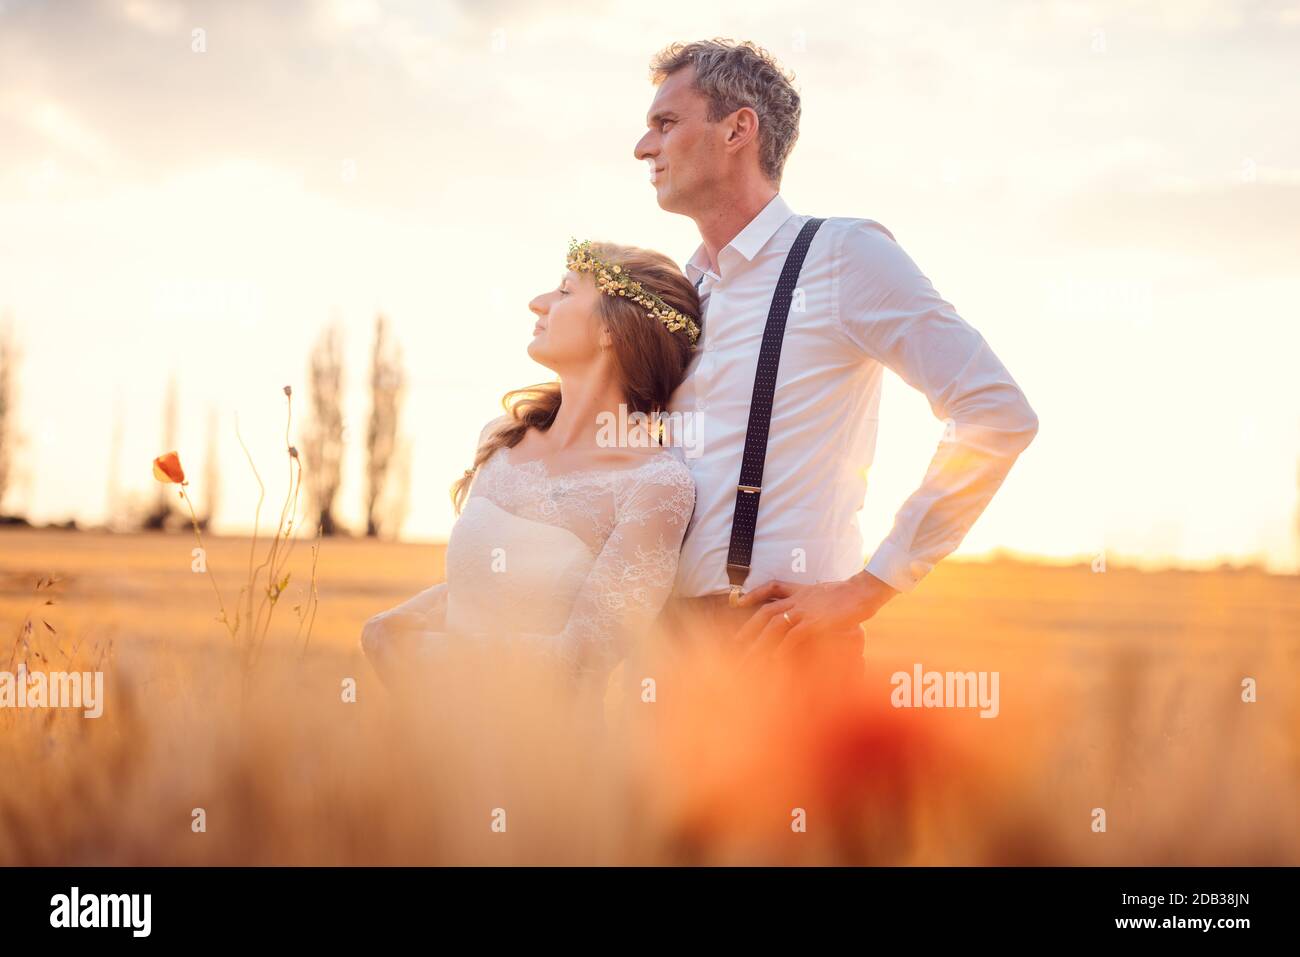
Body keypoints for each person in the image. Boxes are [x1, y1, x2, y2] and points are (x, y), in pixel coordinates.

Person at [633, 40, 1040, 672]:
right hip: (662, 653)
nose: (644, 147)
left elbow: (996, 410)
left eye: (666, 123)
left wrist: (870, 586)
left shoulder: (840, 256)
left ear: (739, 128)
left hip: (780, 650)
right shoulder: (687, 293)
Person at [361, 241, 700, 687]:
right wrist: (390, 626)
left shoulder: (656, 485)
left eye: (564, 291)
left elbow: (580, 658)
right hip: (432, 737)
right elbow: (485, 588)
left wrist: (419, 651)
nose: (537, 302)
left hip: (546, 750)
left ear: (611, 331)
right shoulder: (502, 440)